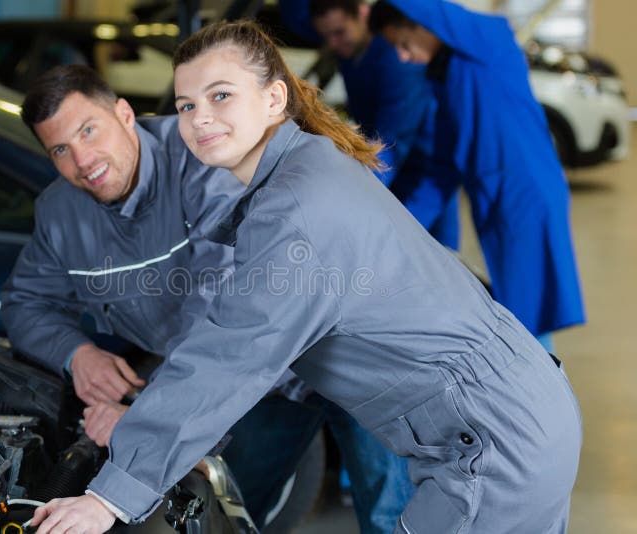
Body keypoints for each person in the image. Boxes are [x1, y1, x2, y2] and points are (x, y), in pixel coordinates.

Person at [30, 21, 582, 534]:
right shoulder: (303, 168)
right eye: (186, 104)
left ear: (274, 98)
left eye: (221, 95)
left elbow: (229, 355)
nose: (199, 118)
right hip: (508, 413)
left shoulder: (296, 208)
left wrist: (109, 496)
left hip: (488, 439)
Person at [0, 64, 408, 529]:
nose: (84, 159)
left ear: (125, 113)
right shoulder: (60, 214)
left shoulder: (204, 156)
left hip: (342, 347)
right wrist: (77, 354)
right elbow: (24, 302)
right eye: (61, 150)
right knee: (226, 509)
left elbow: (222, 313)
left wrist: (143, 421)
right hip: (258, 384)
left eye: (89, 130)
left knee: (391, 515)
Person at [368, 0, 586, 351]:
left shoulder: (484, 41)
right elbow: (441, 166)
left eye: (403, 45)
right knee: (520, 307)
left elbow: (431, 9)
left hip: (524, 193)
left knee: (527, 316)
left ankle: (544, 397)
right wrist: (399, 229)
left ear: (424, 24)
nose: (403, 57)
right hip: (500, 199)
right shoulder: (447, 76)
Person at [308, 0, 459, 250]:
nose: (333, 43)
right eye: (326, 36)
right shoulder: (351, 53)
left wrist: (354, 196)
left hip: (424, 171)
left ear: (363, 15)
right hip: (387, 168)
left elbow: (393, 138)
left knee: (430, 255)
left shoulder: (398, 57)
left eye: (339, 32)